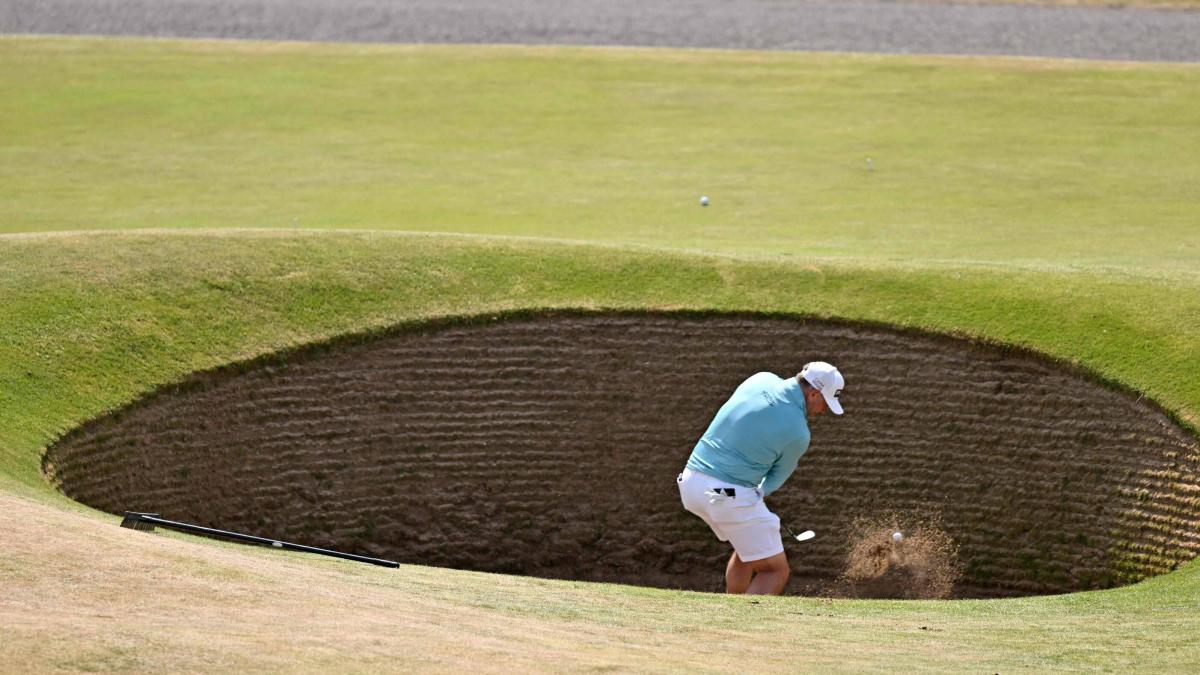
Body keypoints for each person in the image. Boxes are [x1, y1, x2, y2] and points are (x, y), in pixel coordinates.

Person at [677, 361, 844, 595]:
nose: (824, 410)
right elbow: (775, 479)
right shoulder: (799, 432)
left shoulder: (760, 378)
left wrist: (750, 496)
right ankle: (737, 627)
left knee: (749, 550)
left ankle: (730, 614)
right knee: (774, 570)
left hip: (691, 482)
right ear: (814, 392)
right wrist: (757, 494)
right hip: (727, 495)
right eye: (825, 402)